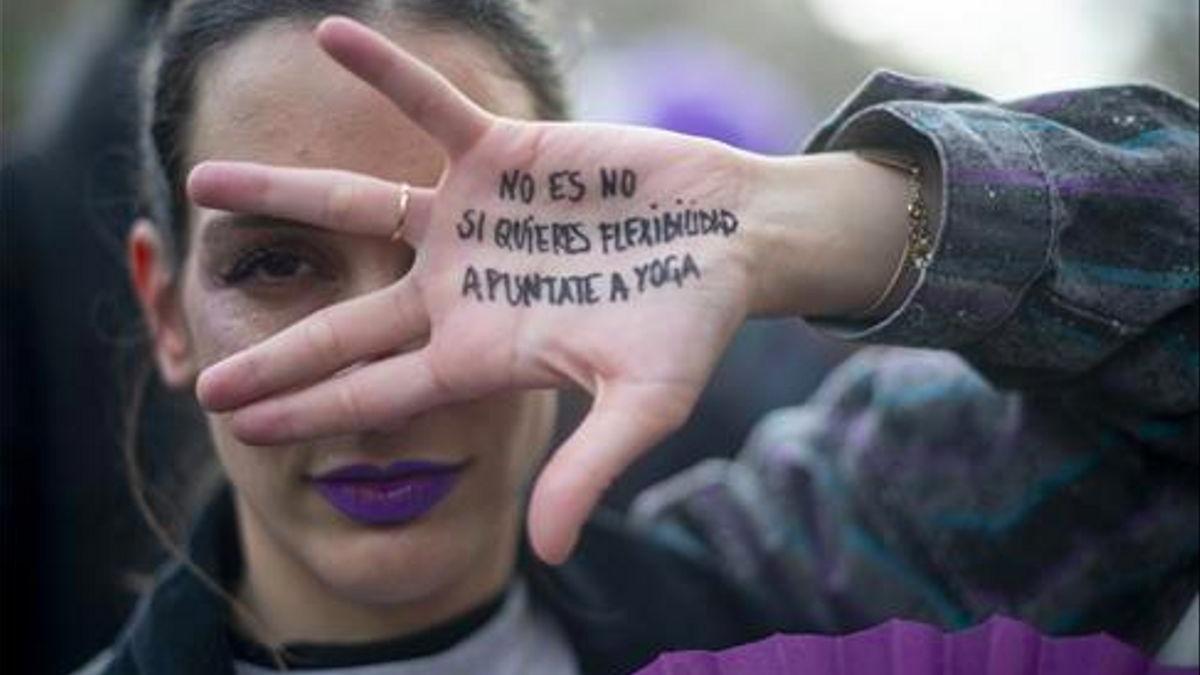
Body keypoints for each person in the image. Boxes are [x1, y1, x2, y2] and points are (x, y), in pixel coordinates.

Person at [82, 1, 1197, 673]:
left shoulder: (821, 590)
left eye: (474, 255)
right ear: (166, 307)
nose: (389, 383)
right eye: (276, 265)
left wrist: (789, 224)